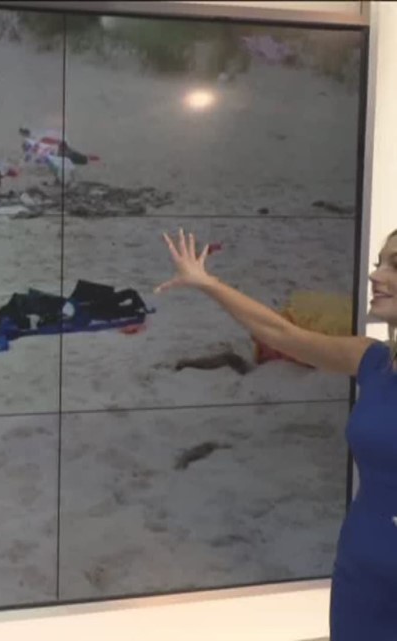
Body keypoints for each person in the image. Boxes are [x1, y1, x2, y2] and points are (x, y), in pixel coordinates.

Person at [156, 228, 397, 639]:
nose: (377, 276)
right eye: (379, 263)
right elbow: (282, 334)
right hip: (362, 566)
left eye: (395, 265)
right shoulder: (372, 361)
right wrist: (208, 283)